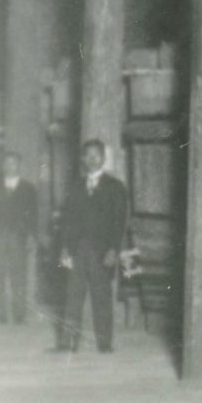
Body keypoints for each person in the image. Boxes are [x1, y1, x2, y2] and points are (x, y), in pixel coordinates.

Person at [56, 139, 130, 353]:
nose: (92, 159)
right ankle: (69, 342)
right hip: (78, 250)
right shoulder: (76, 187)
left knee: (102, 297)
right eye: (88, 155)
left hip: (101, 251)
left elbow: (119, 222)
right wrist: (65, 249)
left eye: (96, 155)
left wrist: (113, 250)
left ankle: (105, 343)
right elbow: (68, 221)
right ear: (82, 159)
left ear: (103, 159)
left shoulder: (115, 187)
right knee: (73, 296)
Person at [0, 152, 43, 325]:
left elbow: (33, 215)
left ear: (19, 166)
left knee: (18, 275)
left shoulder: (28, 188)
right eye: (6, 163)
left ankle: (19, 315)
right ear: (3, 166)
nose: (9, 167)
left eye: (13, 163)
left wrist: (32, 236)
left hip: (18, 236)